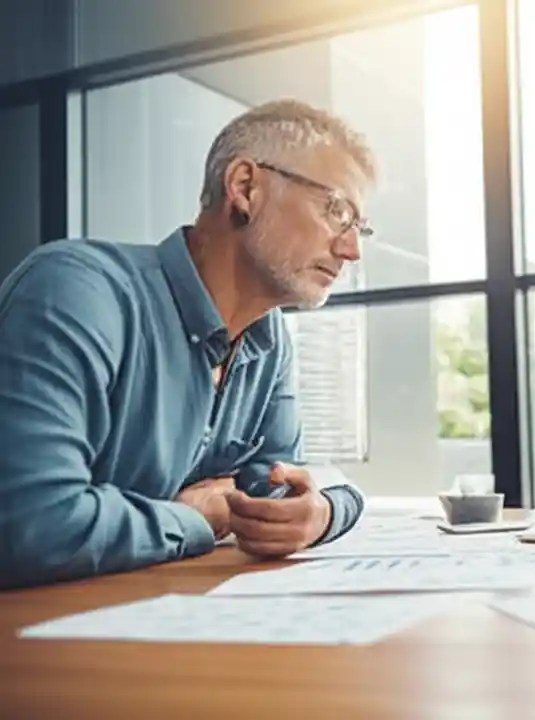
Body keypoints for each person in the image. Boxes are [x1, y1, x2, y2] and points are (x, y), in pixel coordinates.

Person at [0, 99, 373, 589]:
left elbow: (289, 481)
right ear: (245, 188)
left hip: (146, 622)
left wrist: (320, 512)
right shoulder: (76, 291)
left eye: (358, 227)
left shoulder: (268, 337)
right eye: (337, 211)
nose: (352, 249)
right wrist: (194, 519)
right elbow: (34, 524)